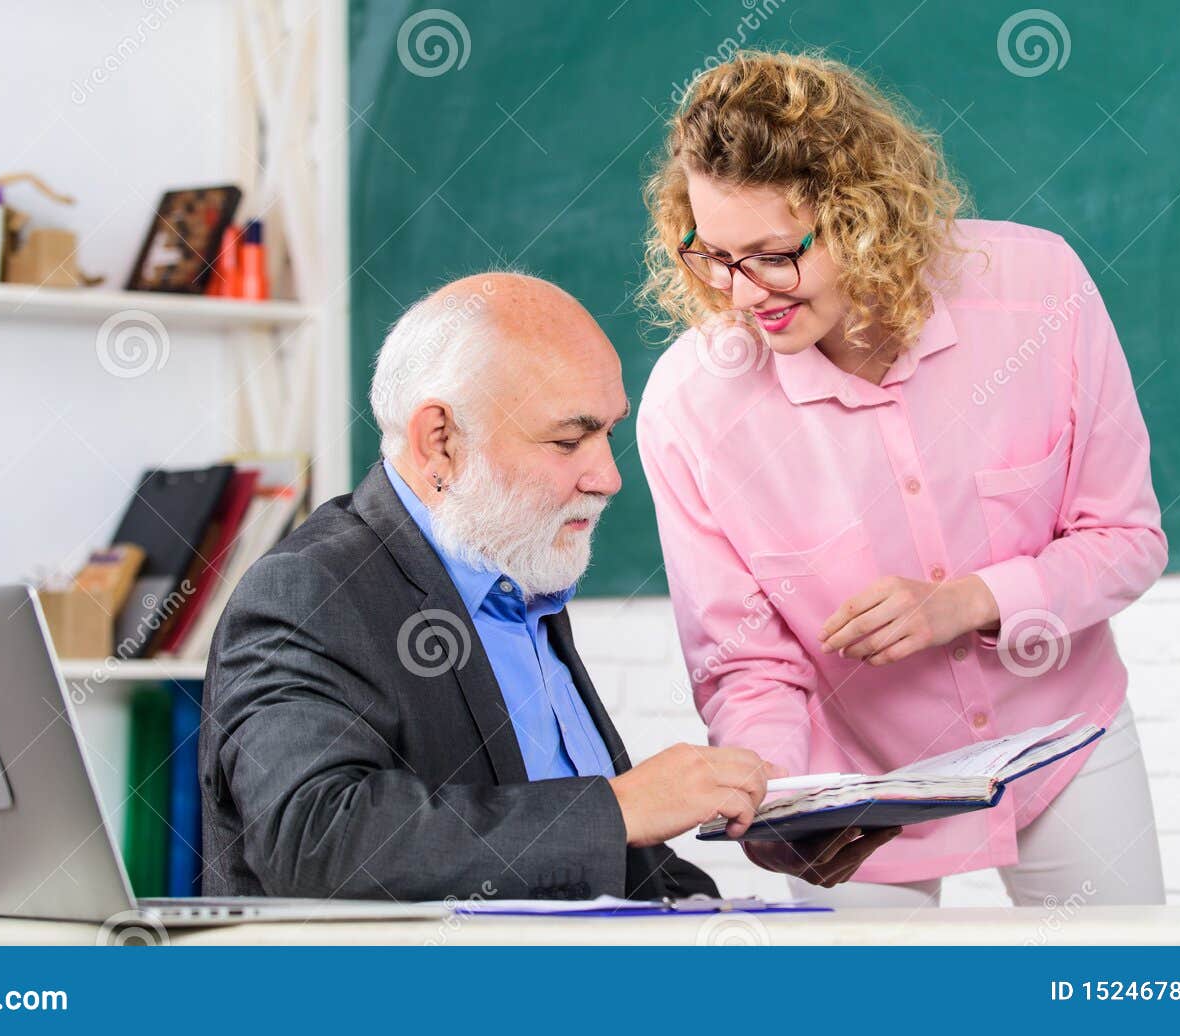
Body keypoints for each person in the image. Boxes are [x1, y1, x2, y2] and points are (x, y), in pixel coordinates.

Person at [635, 50, 1168, 908]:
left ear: (861, 214)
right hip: (852, 779)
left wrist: (964, 602)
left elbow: (1127, 541)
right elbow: (747, 664)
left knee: (1121, 990)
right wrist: (779, 796)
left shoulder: (1038, 292)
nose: (739, 297)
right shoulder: (692, 406)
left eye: (774, 254)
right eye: (713, 255)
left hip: (1060, 736)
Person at [199, 271, 900, 901]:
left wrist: (721, 899)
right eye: (568, 442)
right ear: (439, 441)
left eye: (608, 435)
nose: (608, 477)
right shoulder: (310, 592)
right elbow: (313, 839)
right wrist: (620, 807)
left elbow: (579, 861)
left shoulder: (515, 583)